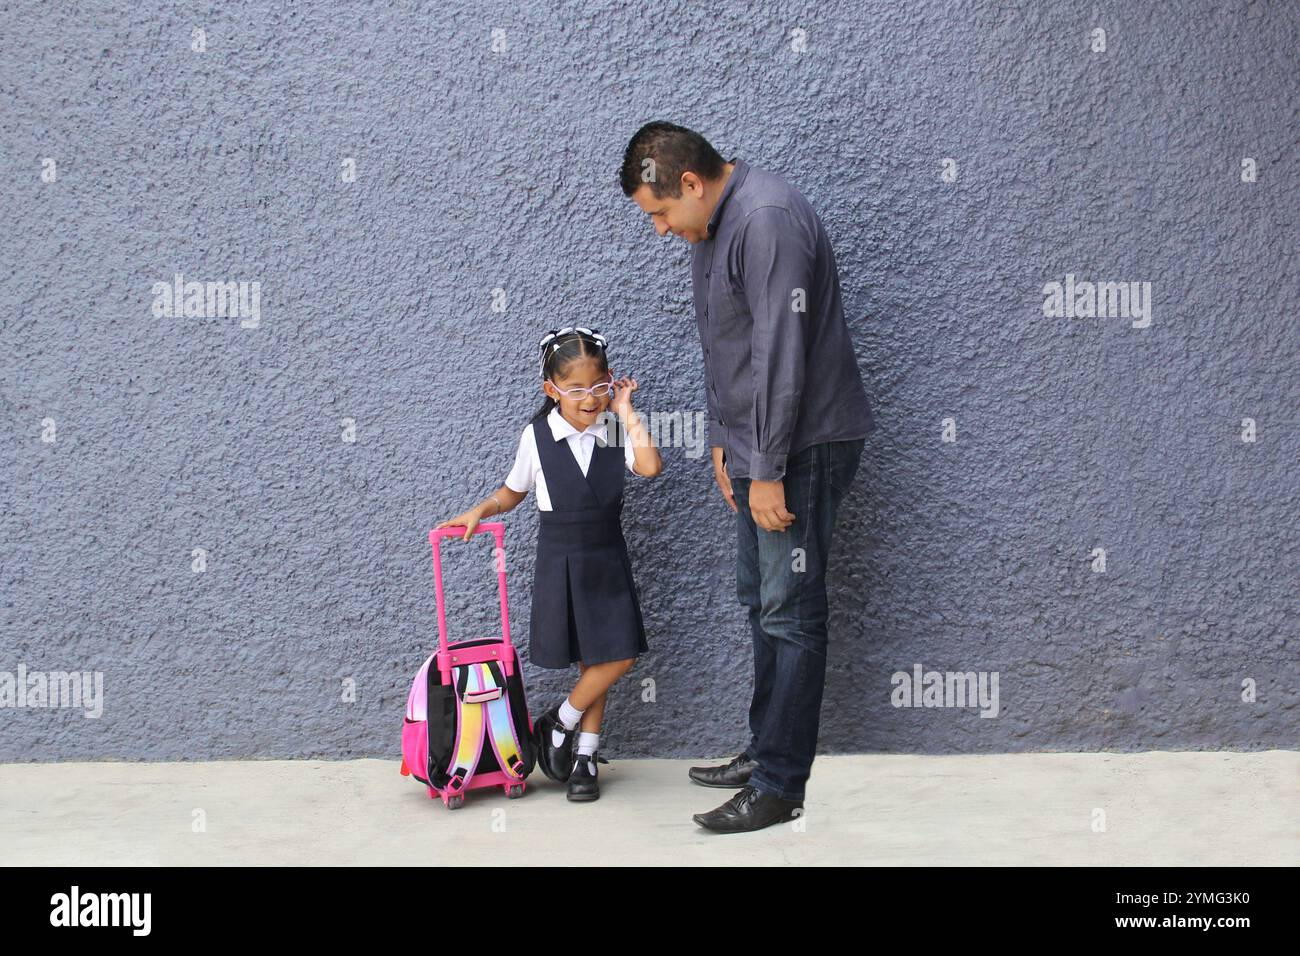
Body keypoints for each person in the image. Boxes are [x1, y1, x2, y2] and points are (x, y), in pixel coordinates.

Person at [620, 122, 875, 832]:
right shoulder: (713, 230)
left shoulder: (764, 220)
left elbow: (780, 355)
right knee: (761, 600)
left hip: (802, 450)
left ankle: (779, 784)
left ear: (692, 184)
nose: (661, 229)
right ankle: (766, 748)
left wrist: (766, 469)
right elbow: (726, 345)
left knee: (790, 611)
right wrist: (725, 445)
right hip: (759, 447)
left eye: (660, 212)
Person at [437, 326, 662, 801]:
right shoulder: (537, 436)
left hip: (607, 558)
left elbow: (650, 467)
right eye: (576, 389)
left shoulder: (615, 427)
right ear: (551, 390)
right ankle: (584, 758)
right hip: (560, 560)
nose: (589, 398)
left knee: (615, 656)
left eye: (599, 387)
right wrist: (482, 508)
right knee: (593, 662)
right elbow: (513, 491)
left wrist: (626, 410)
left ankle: (557, 722)